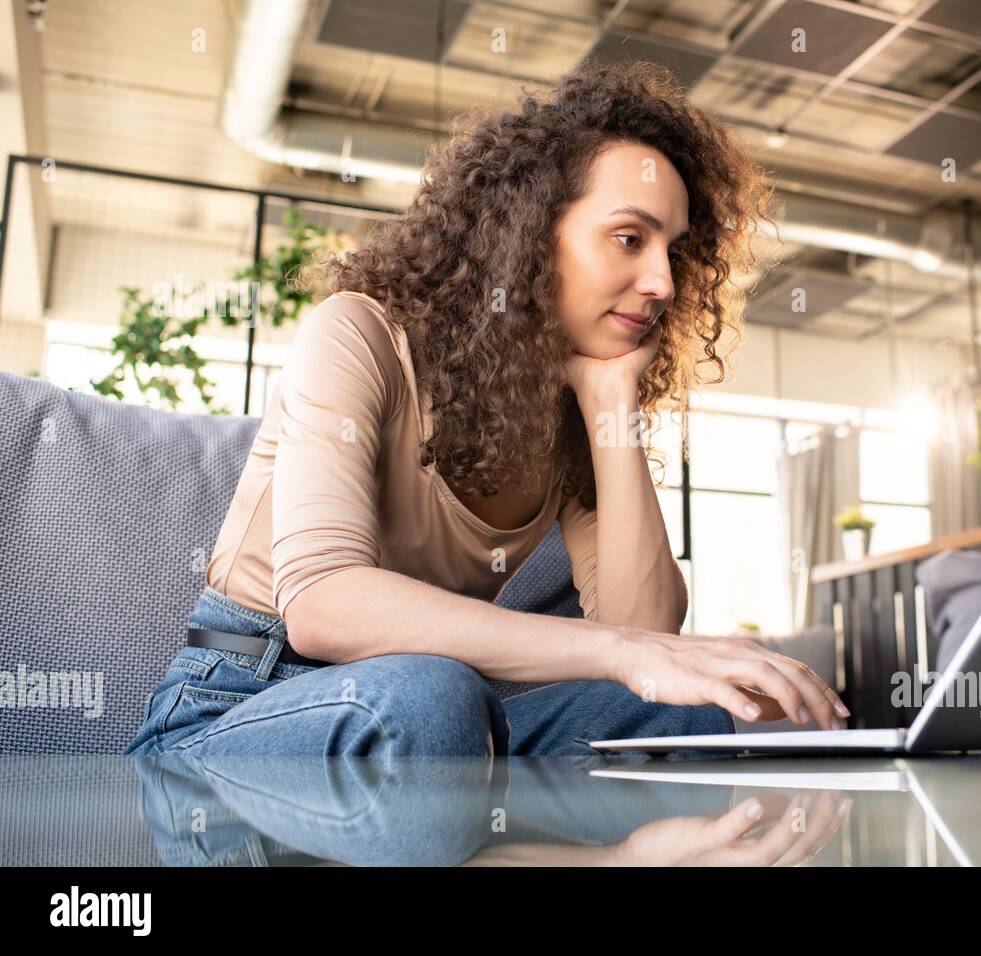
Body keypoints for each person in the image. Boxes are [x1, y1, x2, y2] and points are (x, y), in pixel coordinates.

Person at [123, 60, 851, 760]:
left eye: (673, 251)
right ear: (530, 236)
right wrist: (624, 654)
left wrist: (610, 400)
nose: (661, 280)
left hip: (442, 724)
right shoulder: (357, 332)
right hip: (242, 705)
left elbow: (646, 632)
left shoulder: (567, 417)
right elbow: (322, 604)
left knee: (682, 708)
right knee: (430, 700)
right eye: (629, 239)